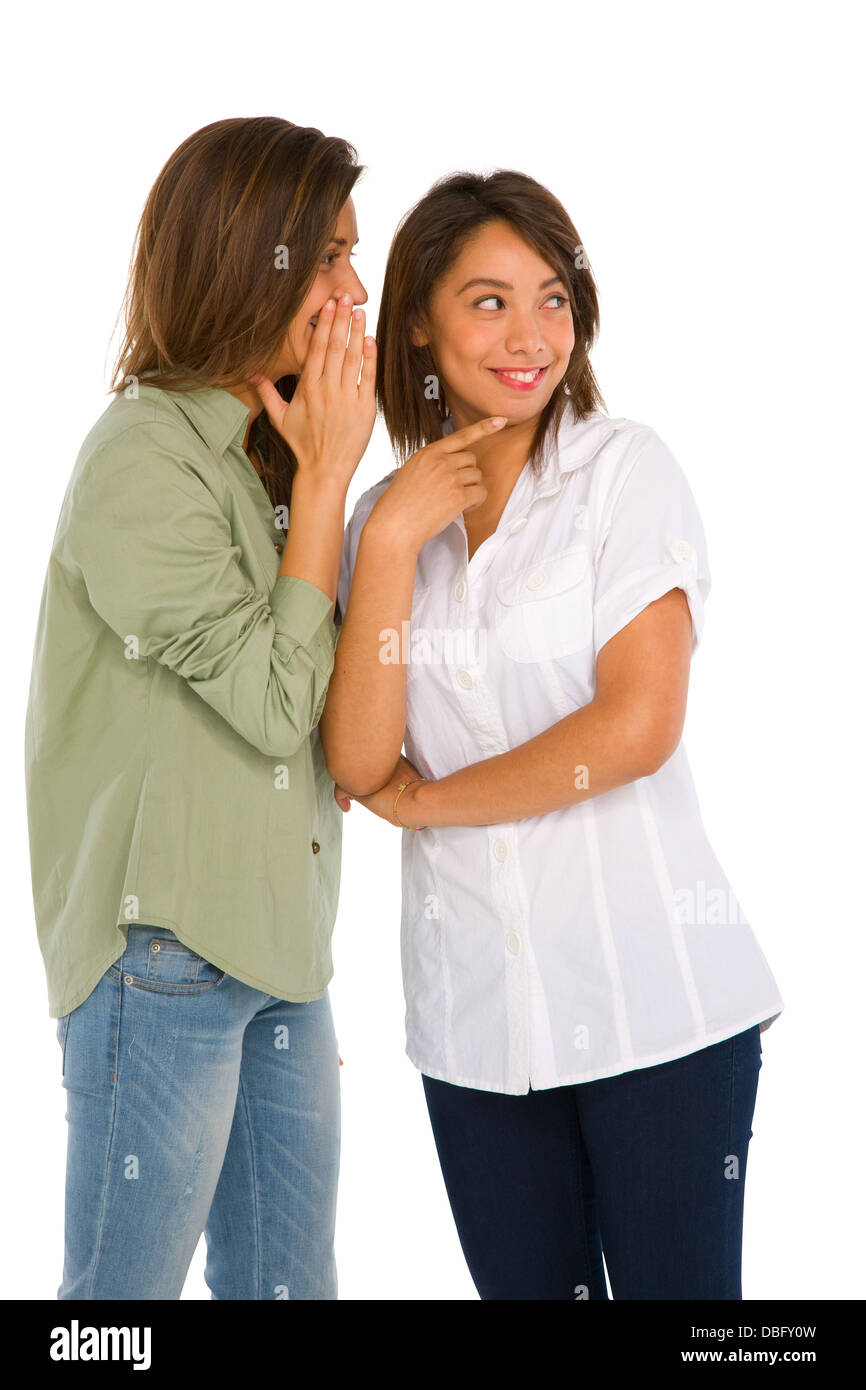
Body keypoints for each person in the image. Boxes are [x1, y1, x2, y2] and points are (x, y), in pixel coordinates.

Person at [316, 169, 785, 1300]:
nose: (529, 336)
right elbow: (356, 759)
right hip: (474, 1029)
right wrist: (383, 553)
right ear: (417, 321)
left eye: (552, 299)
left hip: (653, 1016)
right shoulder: (384, 520)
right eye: (486, 302)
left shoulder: (624, 472)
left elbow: (634, 724)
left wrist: (431, 804)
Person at [24, 115, 379, 1300]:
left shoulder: (270, 460)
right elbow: (278, 703)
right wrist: (330, 481)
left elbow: (335, 720)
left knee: (291, 1290)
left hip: (286, 948)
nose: (355, 287)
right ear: (247, 258)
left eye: (351, 251)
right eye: (326, 255)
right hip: (163, 954)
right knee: (115, 1315)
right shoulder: (141, 457)